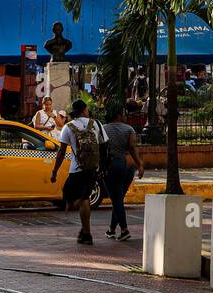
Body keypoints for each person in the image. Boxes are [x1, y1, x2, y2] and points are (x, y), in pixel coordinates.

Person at [50, 98, 106, 245]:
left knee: (71, 200)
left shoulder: (68, 127)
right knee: (83, 199)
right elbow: (104, 147)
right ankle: (85, 230)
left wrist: (54, 171)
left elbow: (61, 152)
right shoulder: (96, 124)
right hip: (93, 168)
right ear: (84, 110)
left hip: (76, 169)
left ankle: (86, 232)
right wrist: (102, 167)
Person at [103, 104, 144, 242]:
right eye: (123, 113)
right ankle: (111, 229)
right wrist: (139, 164)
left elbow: (100, 148)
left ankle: (124, 230)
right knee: (118, 198)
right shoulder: (129, 129)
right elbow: (132, 148)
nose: (125, 116)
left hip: (109, 166)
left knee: (116, 199)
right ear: (118, 115)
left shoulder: (103, 129)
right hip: (125, 166)